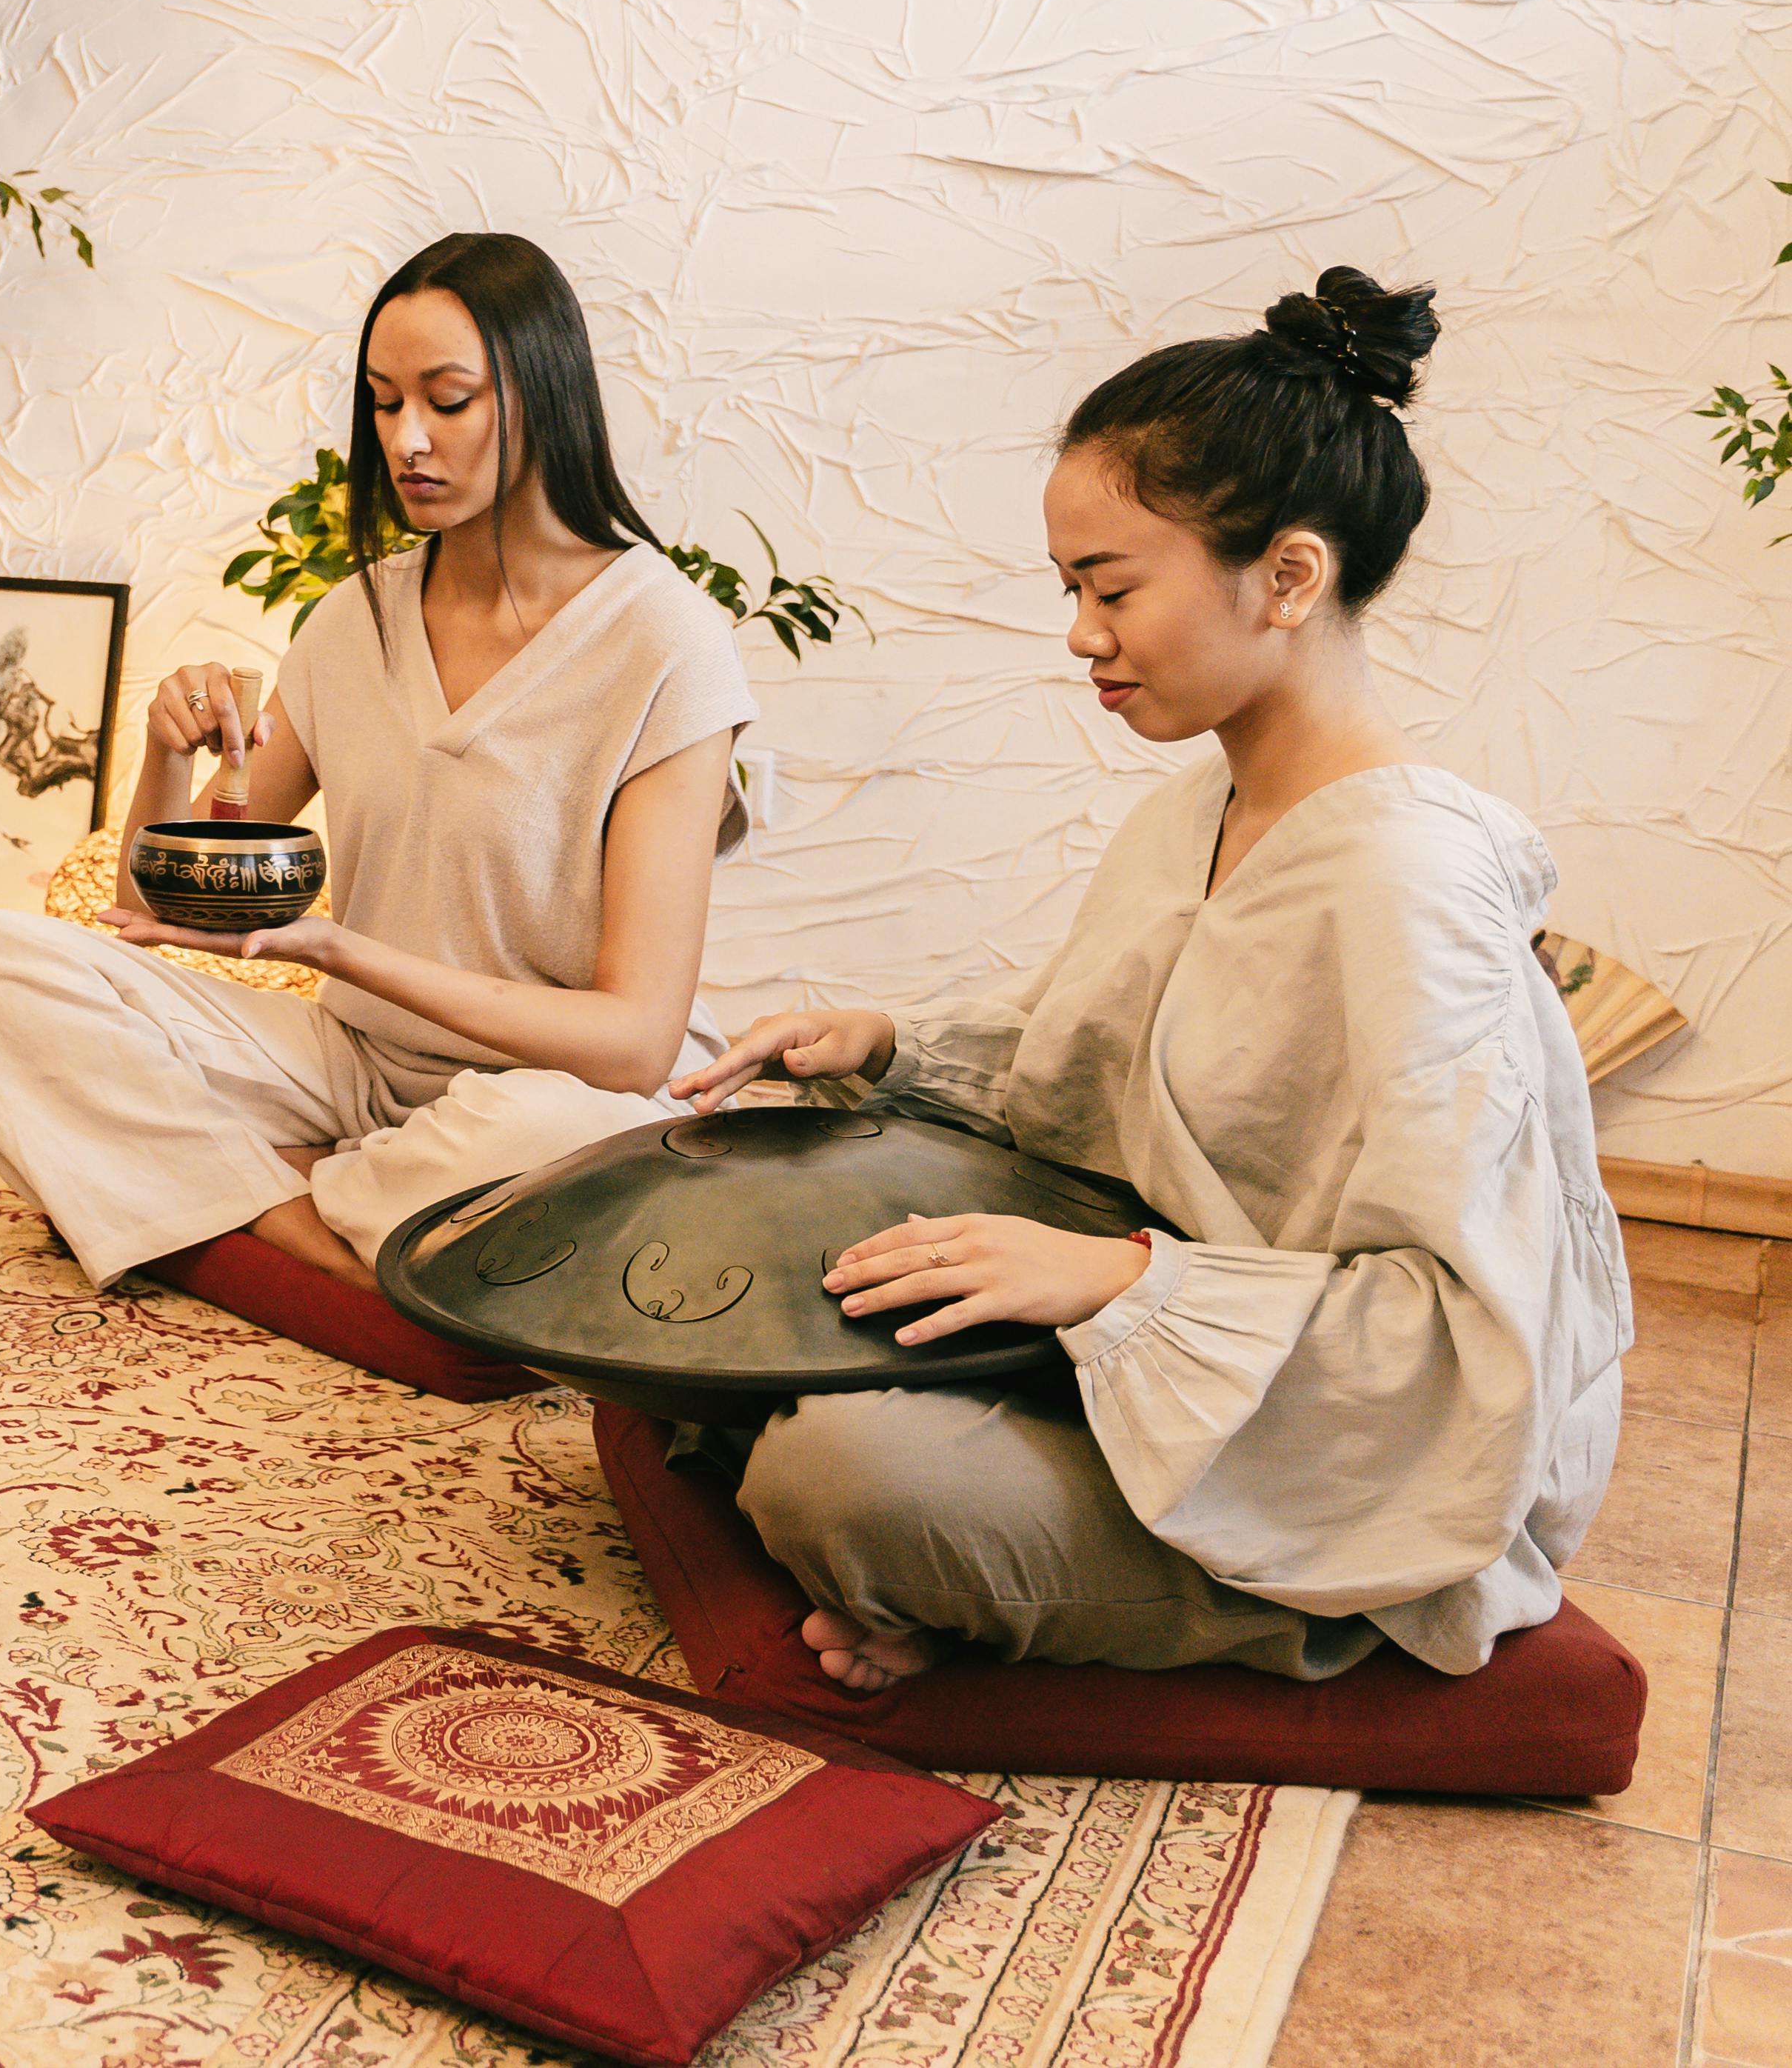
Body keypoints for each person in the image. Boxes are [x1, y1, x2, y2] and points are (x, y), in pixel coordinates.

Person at [674, 268, 1626, 1691]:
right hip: (1155, 1359)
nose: (1079, 633)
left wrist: (1117, 1281)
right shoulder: (1192, 813)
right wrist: (884, 1044)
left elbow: (1456, 1345)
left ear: (1287, 576)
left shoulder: (1412, 886)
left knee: (841, 1476)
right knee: (714, 1258)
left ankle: (1187, 1607)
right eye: (1070, 587)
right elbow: (1105, 1073)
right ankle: (954, 1574)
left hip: (1349, 1475)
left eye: (1110, 586)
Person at [0, 233, 753, 1305]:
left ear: (543, 394)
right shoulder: (350, 619)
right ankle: (322, 1225)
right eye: (383, 399)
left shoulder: (665, 641)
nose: (406, 438)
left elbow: (634, 1043)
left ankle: (217, 1203)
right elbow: (150, 906)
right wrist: (168, 759)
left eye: (447, 400)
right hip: (345, 1068)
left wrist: (344, 950)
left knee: (578, 1137)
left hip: (552, 1099)